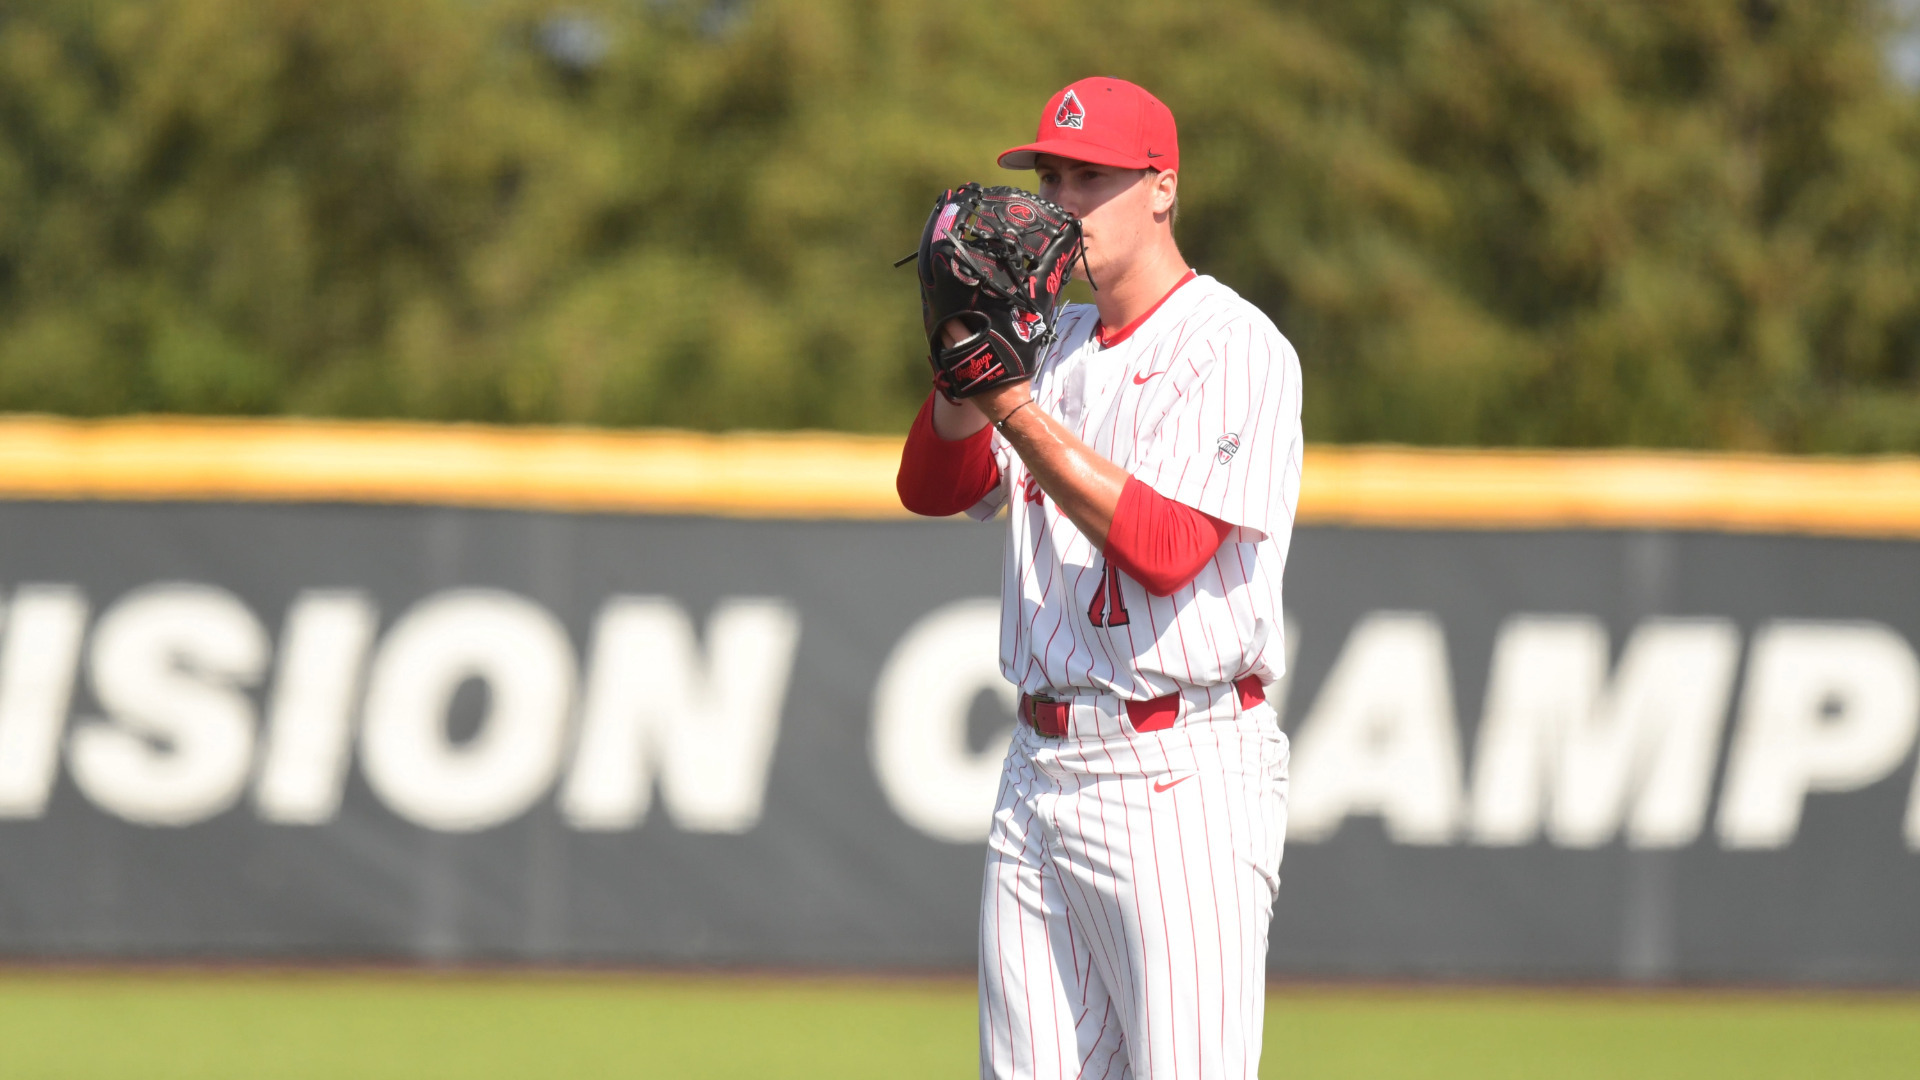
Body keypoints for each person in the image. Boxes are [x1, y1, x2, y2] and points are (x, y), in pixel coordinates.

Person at [896, 76, 1304, 1079]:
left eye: (1091, 178)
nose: (1061, 202)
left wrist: (1011, 404)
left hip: (1180, 772)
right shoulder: (1053, 344)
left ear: (1162, 187)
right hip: (1038, 770)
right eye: (1051, 178)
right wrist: (960, 359)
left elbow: (1168, 547)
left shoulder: (1233, 345)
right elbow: (933, 487)